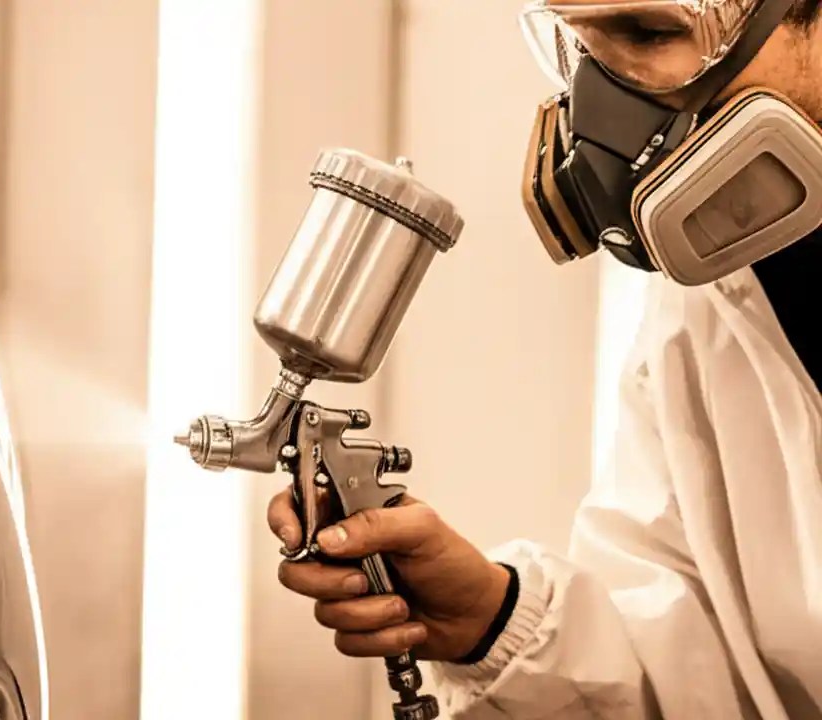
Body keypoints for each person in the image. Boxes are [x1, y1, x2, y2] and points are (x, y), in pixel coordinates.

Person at [268, 1, 822, 717]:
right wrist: (491, 620)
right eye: (576, 45)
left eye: (650, 33)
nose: (597, 109)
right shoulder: (714, 305)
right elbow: (704, 674)